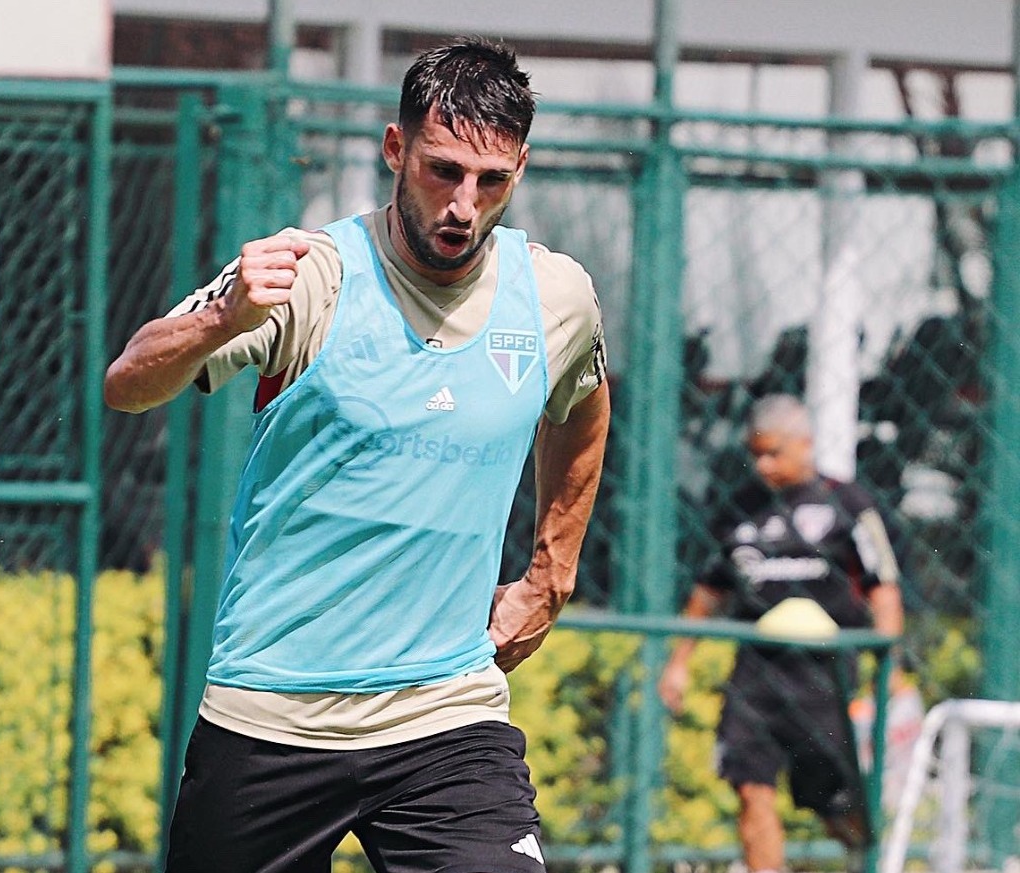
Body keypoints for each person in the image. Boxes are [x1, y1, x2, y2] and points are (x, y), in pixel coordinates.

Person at [104, 38, 610, 873]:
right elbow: (128, 382)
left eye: (491, 182)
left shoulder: (555, 295)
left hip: (446, 716)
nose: (463, 205)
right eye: (442, 171)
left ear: (519, 169)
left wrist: (551, 573)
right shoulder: (314, 277)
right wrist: (219, 319)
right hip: (273, 715)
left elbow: (584, 404)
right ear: (395, 150)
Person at [658, 394, 904, 873]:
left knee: (834, 803)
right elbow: (709, 592)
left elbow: (884, 588)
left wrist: (886, 666)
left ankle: (868, 857)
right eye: (755, 453)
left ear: (805, 444)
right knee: (751, 789)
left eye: (774, 452)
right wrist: (679, 662)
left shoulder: (847, 503)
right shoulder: (740, 510)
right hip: (757, 672)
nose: (762, 464)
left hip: (825, 673)